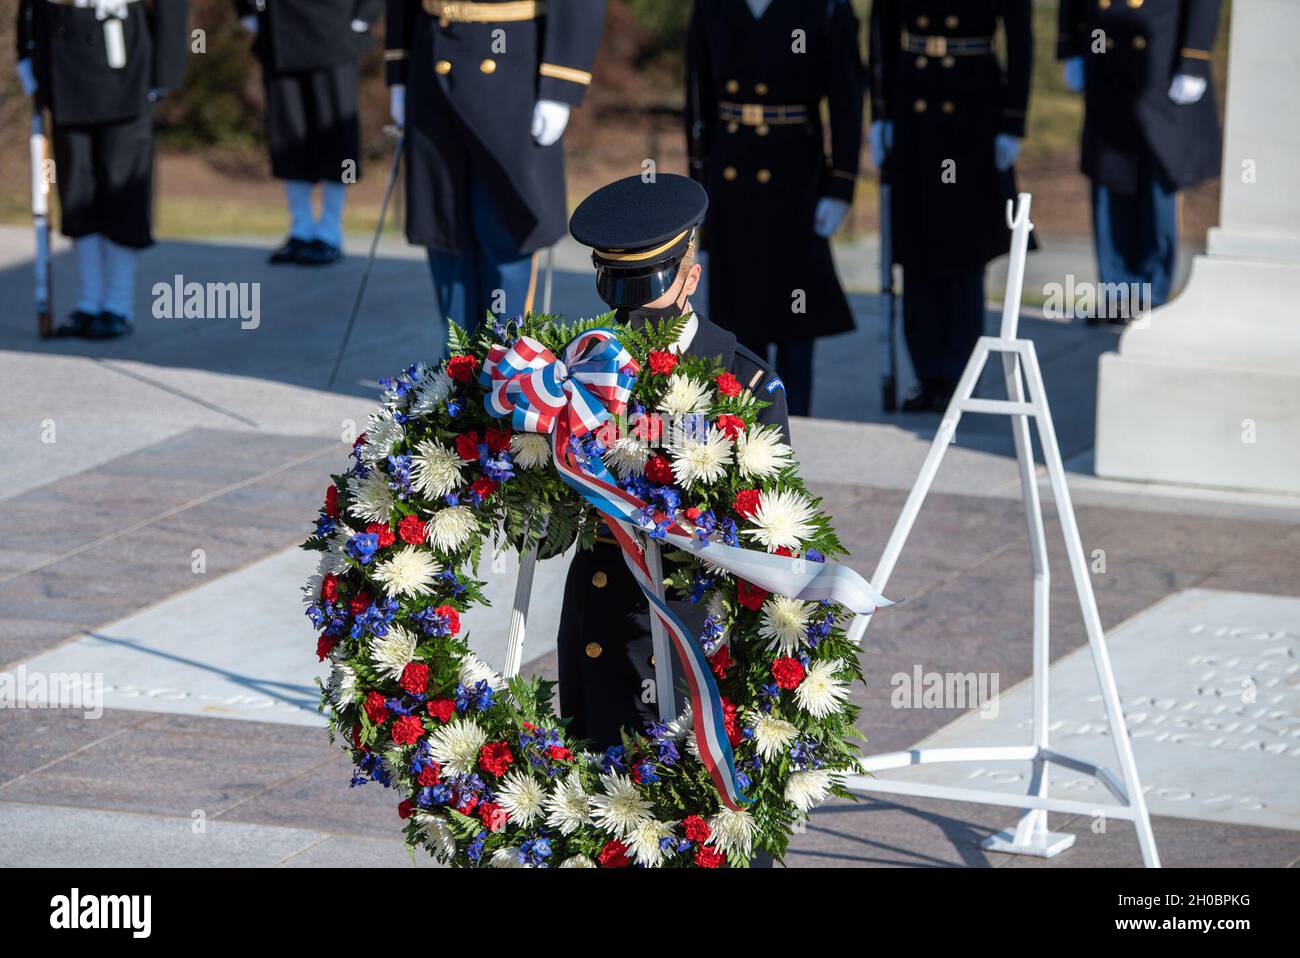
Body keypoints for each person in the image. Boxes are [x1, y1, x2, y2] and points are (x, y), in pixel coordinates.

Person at [560, 172, 789, 751]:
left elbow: (769, 532)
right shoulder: (582, 366)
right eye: (619, 290)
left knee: (688, 798)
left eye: (647, 290)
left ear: (691, 277)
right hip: (598, 606)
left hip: (683, 619)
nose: (630, 314)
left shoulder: (743, 379)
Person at [383, 0, 605, 345]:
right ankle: (458, 368)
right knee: (443, 225)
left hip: (513, 66)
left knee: (506, 226)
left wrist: (561, 84)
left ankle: (508, 368)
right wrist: (398, 67)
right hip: (430, 55)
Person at [685, 0, 864, 417]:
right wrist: (698, 185)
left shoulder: (826, 8)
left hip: (795, 174)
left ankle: (797, 417)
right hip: (731, 174)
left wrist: (842, 184)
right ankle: (740, 423)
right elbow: (697, 95)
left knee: (795, 315)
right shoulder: (712, 7)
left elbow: (846, 98)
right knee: (736, 312)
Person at [868, 1, 1033, 411]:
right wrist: (881, 113)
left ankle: (960, 374)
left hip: (973, 109)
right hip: (914, 105)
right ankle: (926, 373)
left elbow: (1020, 38)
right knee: (917, 245)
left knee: (964, 249)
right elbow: (881, 33)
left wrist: (1014, 120)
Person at [15, 0, 189, 339]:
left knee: (122, 188)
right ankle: (89, 302)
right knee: (78, 192)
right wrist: (26, 53)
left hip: (123, 60)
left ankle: (118, 305)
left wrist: (165, 71)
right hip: (62, 56)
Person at [1059, 0, 1223, 325]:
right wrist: (1070, 44)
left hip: (1160, 60)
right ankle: (1117, 294)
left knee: (1157, 183)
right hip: (1105, 63)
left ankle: (1151, 295)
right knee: (1109, 179)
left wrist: (1194, 58)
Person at [236, 0, 382, 267]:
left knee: (335, 133)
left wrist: (363, 17)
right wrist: (247, 10)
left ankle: (330, 231)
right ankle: (300, 229)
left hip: (334, 31)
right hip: (279, 33)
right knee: (288, 134)